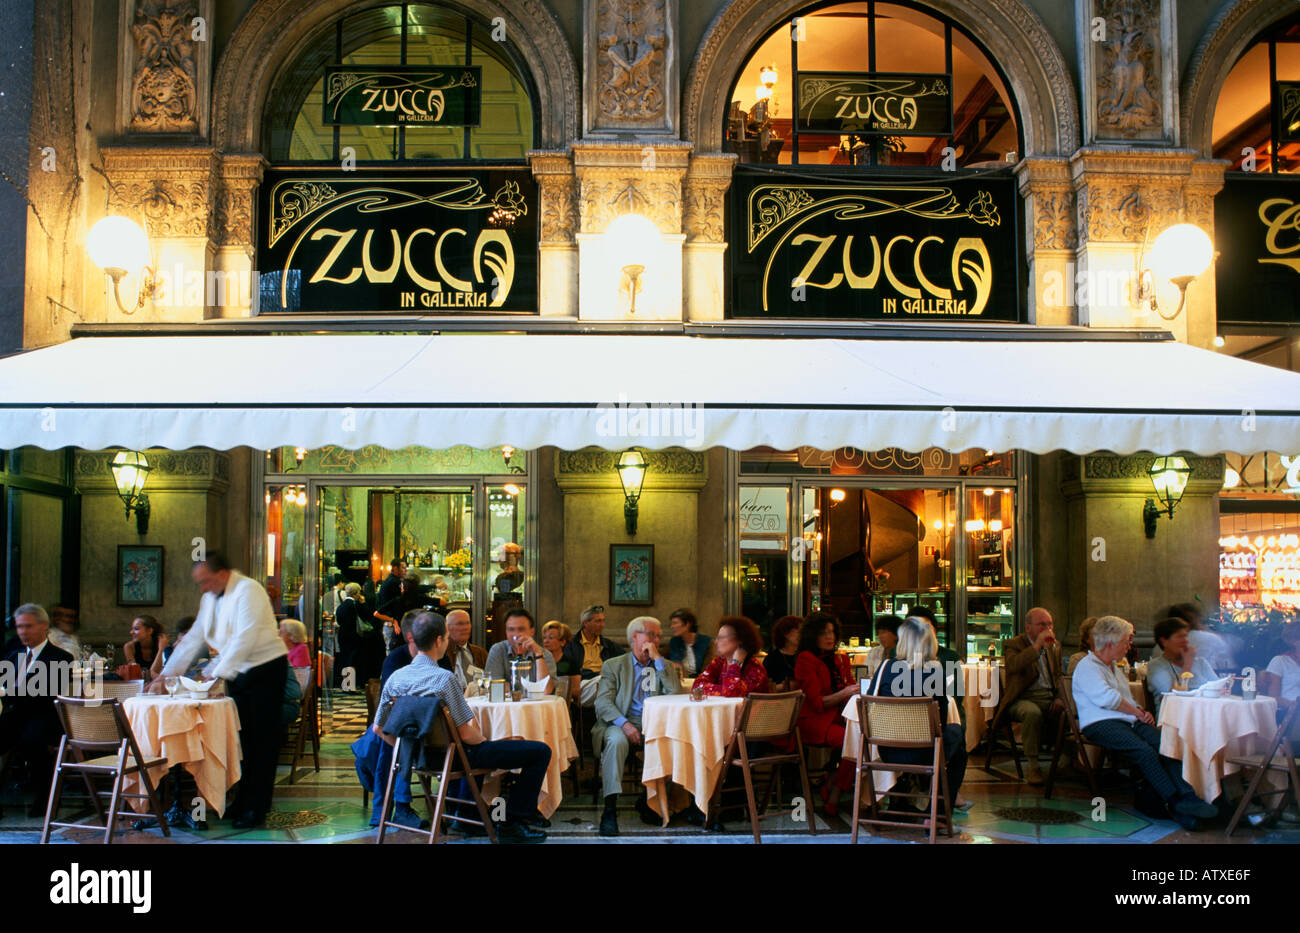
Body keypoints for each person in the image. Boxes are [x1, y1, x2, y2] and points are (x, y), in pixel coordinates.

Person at [373, 612, 550, 843]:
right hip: (454, 757)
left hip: (418, 758)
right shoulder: (443, 679)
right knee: (539, 752)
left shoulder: (396, 678)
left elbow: (379, 728)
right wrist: (494, 743)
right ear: (439, 640)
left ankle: (467, 815)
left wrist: (410, 752)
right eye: (446, 637)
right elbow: (467, 734)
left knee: (483, 751)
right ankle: (512, 823)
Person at [153, 552, 289, 829]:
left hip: (266, 669)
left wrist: (212, 671)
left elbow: (245, 638)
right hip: (238, 672)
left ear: (223, 574)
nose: (202, 588)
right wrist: (166, 674)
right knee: (243, 740)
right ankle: (241, 801)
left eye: (205, 581)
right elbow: (194, 638)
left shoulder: (249, 590)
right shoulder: (209, 598)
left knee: (262, 743)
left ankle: (256, 808)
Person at [1072, 615, 1217, 830]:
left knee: (1166, 743)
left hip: (1126, 720)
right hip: (1100, 724)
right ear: (1110, 643)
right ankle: (1174, 802)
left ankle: (1188, 795)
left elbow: (1127, 699)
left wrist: (1140, 711)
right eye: (1126, 641)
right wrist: (1137, 713)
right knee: (1144, 751)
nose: (1129, 646)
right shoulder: (1088, 666)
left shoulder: (1113, 666)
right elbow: (1107, 699)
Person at [592, 616, 682, 836]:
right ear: (635, 636)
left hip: (656, 725)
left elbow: (676, 696)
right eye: (651, 634)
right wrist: (625, 725)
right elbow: (603, 702)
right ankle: (610, 810)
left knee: (679, 741)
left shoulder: (664, 666)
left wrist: (658, 660)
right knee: (615, 741)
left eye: (659, 635)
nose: (656, 639)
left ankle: (650, 801)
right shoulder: (614, 665)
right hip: (621, 721)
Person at [868, 618, 969, 814]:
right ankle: (936, 814)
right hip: (924, 753)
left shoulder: (885, 667)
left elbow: (871, 703)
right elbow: (941, 717)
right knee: (957, 738)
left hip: (886, 749)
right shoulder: (935, 671)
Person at [0, 604, 75, 817]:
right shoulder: (13, 656)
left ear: (44, 626)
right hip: (17, 715)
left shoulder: (61, 657)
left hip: (47, 716)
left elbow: (45, 694)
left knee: (30, 741)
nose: (23, 632)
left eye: (28, 626)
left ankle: (45, 798)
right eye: (19, 627)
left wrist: (10, 692)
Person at [794, 611, 859, 817]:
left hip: (839, 718)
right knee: (855, 742)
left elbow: (848, 689)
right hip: (813, 721)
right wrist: (847, 691)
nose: (830, 637)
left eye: (832, 632)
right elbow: (817, 702)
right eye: (823, 633)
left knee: (864, 736)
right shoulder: (805, 660)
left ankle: (831, 779)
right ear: (813, 636)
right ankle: (836, 791)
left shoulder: (841, 659)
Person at [999, 607, 1067, 784]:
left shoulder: (1054, 646)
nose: (1047, 628)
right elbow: (1014, 665)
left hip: (1048, 696)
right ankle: (1033, 766)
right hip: (1022, 697)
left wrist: (1060, 697)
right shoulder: (1014, 644)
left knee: (1072, 711)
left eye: (1050, 624)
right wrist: (1037, 646)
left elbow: (1059, 675)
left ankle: (1068, 760)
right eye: (1041, 624)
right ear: (1028, 627)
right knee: (1032, 713)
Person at [1146, 617, 1218, 714]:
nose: (1186, 641)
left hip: (1206, 713)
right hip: (1175, 719)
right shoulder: (1156, 666)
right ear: (1164, 641)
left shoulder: (1201, 663)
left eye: (1186, 636)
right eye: (1180, 637)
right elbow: (1172, 697)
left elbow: (1218, 688)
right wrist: (1187, 664)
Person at [562, 604, 625, 706]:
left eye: (603, 621)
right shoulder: (572, 645)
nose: (602, 625)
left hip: (605, 681)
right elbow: (569, 671)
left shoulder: (608, 644)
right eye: (598, 621)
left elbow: (625, 658)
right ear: (585, 623)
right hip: (583, 684)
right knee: (605, 680)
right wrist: (599, 674)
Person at [484, 608, 557, 693]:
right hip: (507, 706)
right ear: (506, 632)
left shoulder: (545, 654)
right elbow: (494, 687)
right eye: (511, 629)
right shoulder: (498, 650)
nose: (516, 634)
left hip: (536, 705)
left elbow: (546, 690)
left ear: (532, 631)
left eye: (521, 629)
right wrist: (532, 689)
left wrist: (538, 654)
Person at [693, 616, 769, 698]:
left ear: (740, 641)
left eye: (721, 638)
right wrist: (723, 690)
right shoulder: (719, 662)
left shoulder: (755, 669)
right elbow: (696, 687)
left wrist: (735, 664)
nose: (716, 642)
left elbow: (731, 693)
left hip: (752, 711)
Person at [438, 609, 487, 684]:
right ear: (447, 628)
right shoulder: (441, 653)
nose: (465, 627)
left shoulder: (480, 653)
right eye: (460, 624)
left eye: (468, 623)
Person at [152, 616, 204, 681]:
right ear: (178, 635)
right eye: (183, 634)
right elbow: (158, 674)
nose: (186, 638)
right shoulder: (169, 650)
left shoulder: (201, 651)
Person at [667, 609, 712, 679]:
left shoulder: (705, 641)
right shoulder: (675, 642)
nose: (672, 627)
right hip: (682, 680)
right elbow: (676, 665)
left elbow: (709, 668)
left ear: (687, 624)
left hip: (702, 681)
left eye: (675, 623)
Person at [542, 621, 579, 701]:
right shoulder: (540, 662)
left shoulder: (570, 663)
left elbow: (576, 691)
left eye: (551, 638)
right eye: (544, 638)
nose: (546, 641)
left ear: (562, 642)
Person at [382, 610, 422, 685]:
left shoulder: (440, 657)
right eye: (428, 632)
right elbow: (391, 694)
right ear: (410, 637)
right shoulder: (394, 660)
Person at [763, 615, 803, 687]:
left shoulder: (805, 655)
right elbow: (766, 687)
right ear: (786, 633)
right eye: (798, 631)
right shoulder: (772, 659)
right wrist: (783, 686)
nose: (802, 635)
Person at [279, 619, 312, 691]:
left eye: (281, 632)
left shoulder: (301, 648)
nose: (278, 635)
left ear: (291, 634)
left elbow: (298, 674)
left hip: (294, 688)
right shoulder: (285, 649)